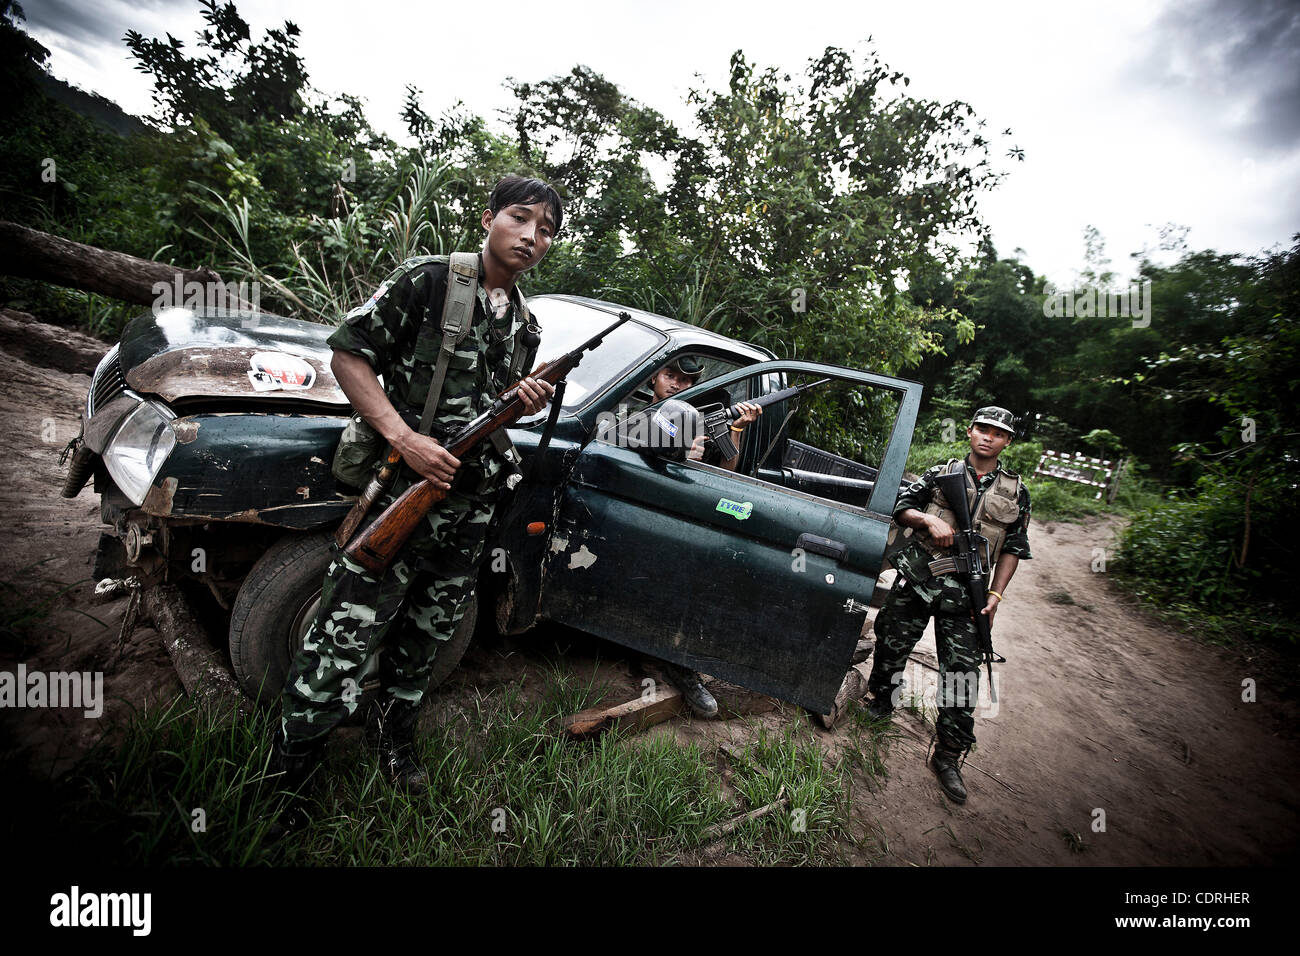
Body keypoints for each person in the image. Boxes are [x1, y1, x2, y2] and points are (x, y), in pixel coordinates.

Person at [269, 176, 562, 821]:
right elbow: (348, 353)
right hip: (402, 490)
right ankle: (291, 770)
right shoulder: (429, 281)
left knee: (428, 632)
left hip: (469, 504)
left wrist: (521, 398)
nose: (531, 237)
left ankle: (394, 734)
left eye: (545, 230)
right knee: (344, 632)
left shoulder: (524, 323)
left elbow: (486, 406)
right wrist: (405, 439)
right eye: (521, 218)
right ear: (489, 219)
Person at [864, 406, 1031, 804]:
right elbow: (898, 506)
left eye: (998, 433)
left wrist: (995, 595)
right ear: (970, 432)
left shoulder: (1017, 492)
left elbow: (1014, 548)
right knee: (890, 639)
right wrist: (926, 521)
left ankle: (949, 755)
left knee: (961, 674)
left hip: (967, 595)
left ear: (1007, 441)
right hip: (922, 576)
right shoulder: (942, 472)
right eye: (983, 429)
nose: (988, 437)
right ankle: (882, 701)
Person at [637, 357, 761, 717]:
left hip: (675, 513)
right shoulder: (633, 411)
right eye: (670, 375)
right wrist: (680, 454)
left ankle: (678, 663)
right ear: (655, 377)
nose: (676, 385)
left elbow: (725, 472)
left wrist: (734, 429)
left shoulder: (697, 421)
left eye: (686, 381)